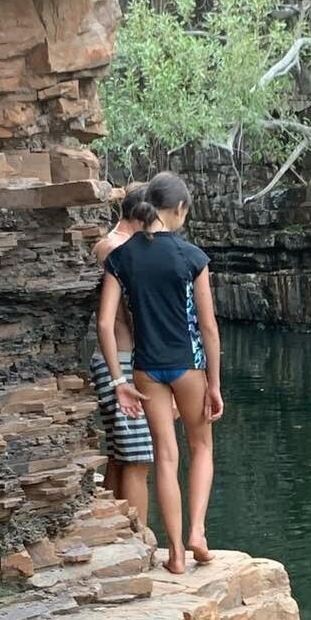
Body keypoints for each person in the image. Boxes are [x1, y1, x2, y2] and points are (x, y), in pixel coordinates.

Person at [96, 170, 223, 573]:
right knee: (200, 447)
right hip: (188, 365)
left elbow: (104, 324)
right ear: (179, 208)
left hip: (146, 369)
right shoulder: (191, 256)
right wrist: (215, 384)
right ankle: (198, 533)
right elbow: (208, 327)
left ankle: (175, 555)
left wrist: (118, 381)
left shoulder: (122, 256)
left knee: (164, 457)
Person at [88, 183, 154, 523]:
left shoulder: (112, 245)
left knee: (119, 453)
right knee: (138, 457)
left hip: (117, 360)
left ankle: (114, 529)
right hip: (120, 361)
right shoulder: (117, 248)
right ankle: (139, 535)